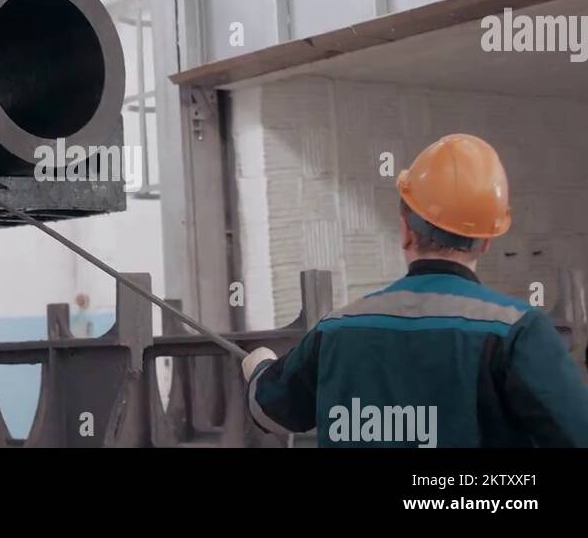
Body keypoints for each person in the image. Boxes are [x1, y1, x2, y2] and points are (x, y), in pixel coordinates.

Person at [243, 134, 588, 447]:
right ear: (485, 241)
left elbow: (271, 409)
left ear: (406, 230)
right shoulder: (516, 332)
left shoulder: (335, 330)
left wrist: (258, 367)